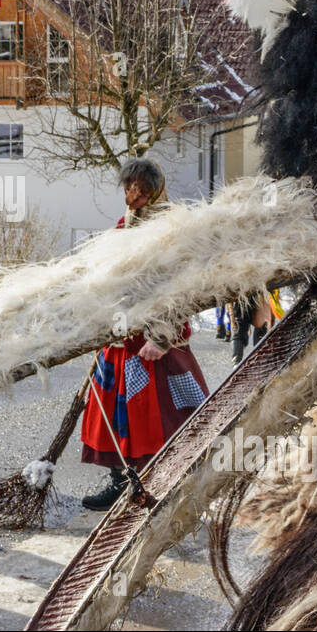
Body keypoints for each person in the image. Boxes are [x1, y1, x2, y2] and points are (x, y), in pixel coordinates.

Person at [79, 159, 209, 510]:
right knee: (118, 418)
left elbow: (181, 287)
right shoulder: (124, 225)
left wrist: (162, 337)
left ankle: (168, 486)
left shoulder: (170, 228)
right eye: (128, 187)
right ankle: (120, 483)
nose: (133, 195)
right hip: (123, 338)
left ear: (155, 190)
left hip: (155, 343)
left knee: (162, 419)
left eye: (141, 189)